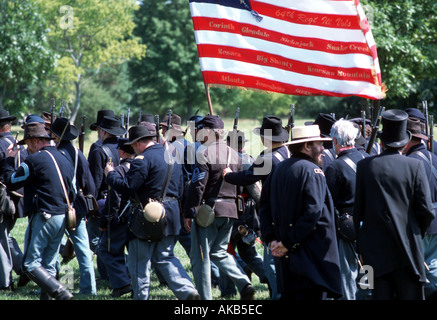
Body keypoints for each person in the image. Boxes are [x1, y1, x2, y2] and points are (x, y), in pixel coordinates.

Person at [105, 125, 200, 300]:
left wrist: (111, 175)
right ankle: (188, 291)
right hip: (170, 215)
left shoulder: (142, 159)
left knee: (139, 264)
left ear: (139, 143)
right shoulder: (172, 158)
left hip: (146, 217)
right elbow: (180, 189)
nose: (132, 148)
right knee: (166, 258)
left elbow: (127, 187)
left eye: (133, 145)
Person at [354, 109, 435, 300]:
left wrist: (361, 245)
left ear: (381, 141)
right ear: (405, 142)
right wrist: (416, 233)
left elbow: (359, 211)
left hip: (374, 250)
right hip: (408, 249)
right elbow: (426, 210)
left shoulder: (365, 167)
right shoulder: (413, 166)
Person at [259, 124, 343, 300]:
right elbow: (313, 213)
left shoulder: (278, 169)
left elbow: (263, 206)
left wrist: (272, 239)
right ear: (307, 146)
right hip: (312, 265)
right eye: (319, 144)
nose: (322, 149)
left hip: (288, 263)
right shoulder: (313, 172)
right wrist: (287, 242)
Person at [183, 115, 255, 300]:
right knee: (219, 253)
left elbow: (198, 185)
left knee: (201, 258)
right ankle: (243, 282)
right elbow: (239, 185)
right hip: (230, 210)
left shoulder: (203, 154)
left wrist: (190, 211)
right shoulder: (234, 154)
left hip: (209, 212)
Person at [3, 122, 75, 300]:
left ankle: (62, 293)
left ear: (35, 140)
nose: (27, 148)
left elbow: (11, 181)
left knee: (30, 264)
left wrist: (9, 160)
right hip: (61, 215)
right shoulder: (64, 157)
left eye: (28, 143)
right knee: (49, 264)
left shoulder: (34, 160)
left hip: (44, 215)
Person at [223, 115, 290, 300]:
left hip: (276, 216)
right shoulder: (287, 152)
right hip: (290, 214)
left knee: (272, 266)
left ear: (266, 138)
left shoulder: (267, 157)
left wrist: (228, 175)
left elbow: (247, 177)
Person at [49, 117, 97, 296]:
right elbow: (88, 182)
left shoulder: (54, 154)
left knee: (52, 249)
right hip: (77, 205)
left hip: (59, 204)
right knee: (83, 250)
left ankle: (51, 287)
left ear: (56, 135)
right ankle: (89, 289)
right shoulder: (77, 152)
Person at [325, 119, 368, 300]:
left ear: (335, 141)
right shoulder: (367, 158)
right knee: (367, 272)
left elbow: (327, 202)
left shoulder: (334, 166)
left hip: (346, 226)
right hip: (369, 224)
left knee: (347, 275)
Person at [88, 115, 125, 281]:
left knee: (98, 240)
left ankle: (107, 275)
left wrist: (91, 207)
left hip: (104, 201)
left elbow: (94, 182)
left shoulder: (98, 150)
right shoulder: (125, 146)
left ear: (103, 131)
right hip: (124, 201)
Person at [404, 117, 437, 299]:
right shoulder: (434, 157)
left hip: (421, 223)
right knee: (433, 267)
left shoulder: (410, 163)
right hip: (435, 221)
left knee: (418, 272)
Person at [98, 138, 135, 298]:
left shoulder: (119, 170)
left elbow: (114, 199)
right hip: (136, 218)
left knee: (106, 250)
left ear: (121, 152)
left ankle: (122, 284)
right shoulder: (140, 167)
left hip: (120, 218)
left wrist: (105, 220)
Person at [0, 109, 27, 290]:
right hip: (17, 200)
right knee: (5, 237)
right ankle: (25, 269)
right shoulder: (20, 145)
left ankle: (5, 282)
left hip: (3, 199)